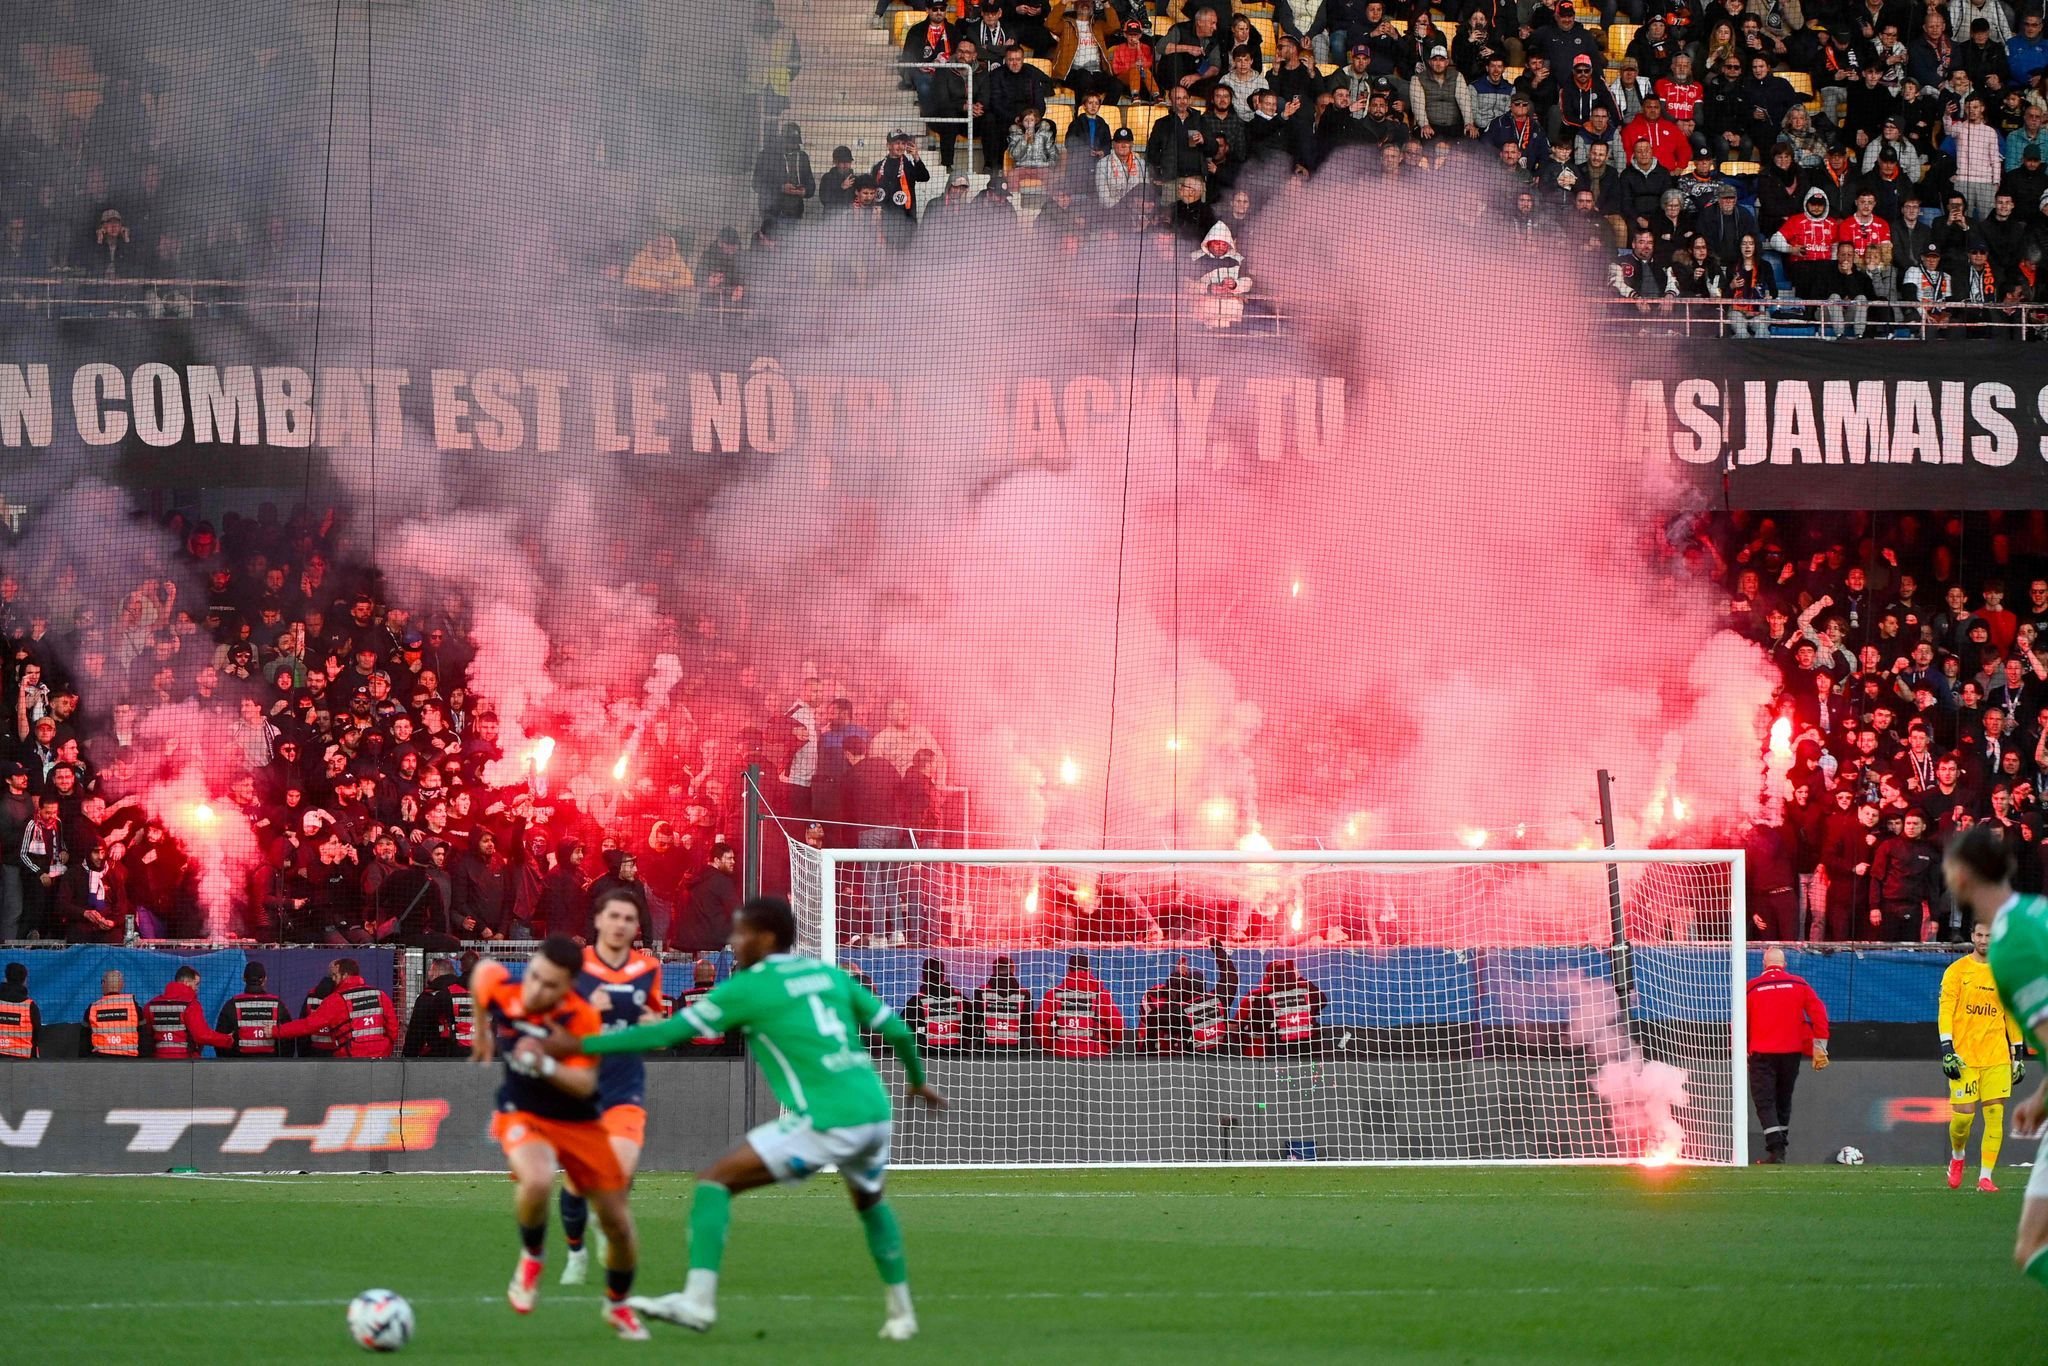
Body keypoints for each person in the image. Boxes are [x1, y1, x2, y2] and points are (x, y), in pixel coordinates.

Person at [545, 896, 944, 1341]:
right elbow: (898, 1030)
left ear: (766, 937)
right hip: (874, 1111)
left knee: (714, 1182)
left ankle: (696, 1302)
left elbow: (667, 1032)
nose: (733, 942)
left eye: (741, 933)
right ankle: (902, 1314)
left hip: (828, 1119)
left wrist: (582, 1046)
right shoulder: (828, 974)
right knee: (870, 1204)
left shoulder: (749, 987)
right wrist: (918, 1081)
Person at [470, 938, 646, 1339]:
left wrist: (543, 1061)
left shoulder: (580, 1017)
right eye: (534, 976)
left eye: (550, 985)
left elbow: (584, 1085)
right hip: (524, 1111)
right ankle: (532, 1258)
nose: (536, 989)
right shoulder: (508, 989)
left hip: (580, 1122)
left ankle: (617, 1304)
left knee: (618, 1225)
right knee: (536, 1180)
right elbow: (482, 974)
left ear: (568, 987)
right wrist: (482, 1030)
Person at [1943, 827, 2048, 1286]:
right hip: (1978, 1061)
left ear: (1961, 876)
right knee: (2030, 1246)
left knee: (2031, 1247)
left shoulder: (2010, 947)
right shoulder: (2035, 911)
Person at [561, 887, 667, 1288]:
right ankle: (576, 1251)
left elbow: (658, 1031)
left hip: (625, 1089)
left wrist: (652, 1027)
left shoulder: (647, 969)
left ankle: (606, 1225)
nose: (621, 925)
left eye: (629, 919)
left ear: (636, 926)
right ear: (598, 921)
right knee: (576, 1182)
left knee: (618, 1174)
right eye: (615, 916)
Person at [1939, 918, 2027, 1192]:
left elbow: (2011, 1015)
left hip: (1996, 1055)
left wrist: (2018, 1054)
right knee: (1963, 1119)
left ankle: (1985, 1177)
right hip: (1964, 1056)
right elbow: (1946, 1011)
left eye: (1990, 936)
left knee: (1994, 1114)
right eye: (1980, 935)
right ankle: (1957, 1157)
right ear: (1972, 936)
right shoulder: (1957, 971)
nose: (1984, 941)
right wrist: (1947, 1049)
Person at [1744, 945, 1830, 1163]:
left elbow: (1740, 1023)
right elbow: (1818, 1013)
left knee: (1765, 1101)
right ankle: (1779, 1148)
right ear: (1784, 965)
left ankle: (1776, 1149)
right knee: (1783, 1099)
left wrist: (1741, 1052)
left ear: (1763, 965)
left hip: (1761, 1053)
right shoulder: (1799, 983)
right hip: (1791, 1053)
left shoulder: (1751, 987)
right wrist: (1820, 1048)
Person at [274, 956, 400, 1057]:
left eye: (335, 975)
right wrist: (387, 1047)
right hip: (381, 1056)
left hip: (351, 1058)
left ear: (345, 975)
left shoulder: (337, 999)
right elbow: (393, 1028)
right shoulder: (380, 995)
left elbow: (308, 1025)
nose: (333, 979)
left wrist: (275, 1031)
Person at [1138, 939, 1239, 1053]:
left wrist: (1176, 990)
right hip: (1224, 1059)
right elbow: (1231, 977)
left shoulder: (1181, 1011)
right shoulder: (1220, 998)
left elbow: (1153, 1017)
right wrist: (1218, 950)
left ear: (1186, 988)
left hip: (1194, 1063)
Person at [1035, 951, 1124, 1056]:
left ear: (1069, 970)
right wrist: (1107, 1045)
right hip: (1095, 1056)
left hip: (1061, 1055)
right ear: (1090, 970)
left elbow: (1039, 1024)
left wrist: (1049, 1046)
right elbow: (1117, 1026)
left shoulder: (1053, 995)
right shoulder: (1102, 996)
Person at [1234, 958, 1328, 1055]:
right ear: (1293, 974)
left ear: (1270, 977)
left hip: (1282, 1051)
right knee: (1314, 1069)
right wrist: (1299, 979)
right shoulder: (1307, 988)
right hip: (1311, 1047)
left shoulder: (1265, 995)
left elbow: (1258, 1024)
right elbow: (1323, 1001)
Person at [1872, 809, 1940, 940]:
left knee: (1910, 950)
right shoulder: (1888, 845)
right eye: (1908, 823)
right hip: (1889, 907)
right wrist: (1874, 907)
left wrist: (1934, 917)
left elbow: (1933, 887)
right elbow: (1876, 878)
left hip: (1914, 908)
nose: (1911, 827)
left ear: (1923, 827)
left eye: (1915, 824)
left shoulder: (1930, 851)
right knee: (1885, 951)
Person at [144, 963, 234, 1058]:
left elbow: (146, 1035)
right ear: (187, 982)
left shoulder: (151, 1005)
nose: (197, 989)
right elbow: (201, 1035)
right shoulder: (191, 1004)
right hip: (186, 1061)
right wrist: (228, 1039)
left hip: (157, 1060)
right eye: (196, 984)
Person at [402, 955, 473, 1057]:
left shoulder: (427, 996)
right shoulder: (465, 993)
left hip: (434, 1055)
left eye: (430, 971)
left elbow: (416, 1032)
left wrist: (408, 1056)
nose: (429, 974)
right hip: (464, 1052)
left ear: (436, 972)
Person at [215, 960, 290, 1057]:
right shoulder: (277, 1004)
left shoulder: (231, 1005)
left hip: (239, 1065)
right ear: (264, 979)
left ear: (244, 979)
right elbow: (288, 1038)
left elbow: (220, 1039)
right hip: (272, 1064)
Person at [677, 841, 741, 952]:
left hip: (688, 941)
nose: (733, 862)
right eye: (729, 858)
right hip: (713, 943)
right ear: (717, 860)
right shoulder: (723, 881)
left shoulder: (696, 877)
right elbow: (737, 910)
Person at [901, 957, 970, 1053]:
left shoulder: (916, 1002)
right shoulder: (960, 998)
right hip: (957, 1054)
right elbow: (971, 1023)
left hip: (928, 1057)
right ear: (943, 975)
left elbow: (903, 1029)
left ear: (924, 975)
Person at [973, 955, 1033, 1051]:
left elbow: (975, 1020)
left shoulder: (981, 992)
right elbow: (1028, 1023)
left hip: (987, 1049)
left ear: (994, 970)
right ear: (1013, 970)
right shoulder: (1024, 993)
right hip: (1016, 1050)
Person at [85, 968, 140, 1057]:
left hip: (100, 1059)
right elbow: (144, 1035)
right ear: (122, 984)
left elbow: (84, 1040)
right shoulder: (134, 1006)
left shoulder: (93, 1008)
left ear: (103, 983)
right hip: (129, 1060)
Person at [0, 960, 38, 1058]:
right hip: (22, 1060)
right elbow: (37, 1034)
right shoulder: (30, 1006)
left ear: (5, 979)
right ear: (24, 981)